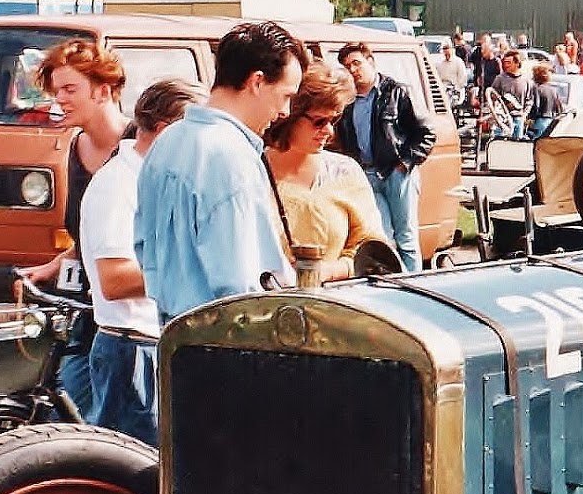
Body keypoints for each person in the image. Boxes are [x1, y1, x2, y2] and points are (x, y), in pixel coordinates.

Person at [136, 20, 304, 323]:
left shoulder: (165, 143)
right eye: (286, 96)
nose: (285, 113)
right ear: (256, 81)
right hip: (225, 340)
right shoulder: (231, 157)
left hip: (171, 333)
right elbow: (240, 284)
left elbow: (143, 248)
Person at [80, 79, 204, 444]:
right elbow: (114, 280)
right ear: (166, 132)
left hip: (154, 345)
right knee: (131, 483)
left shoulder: (154, 180)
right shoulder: (118, 185)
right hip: (133, 350)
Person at [15, 39, 131, 423]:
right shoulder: (76, 145)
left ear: (102, 91)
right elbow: (88, 237)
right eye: (56, 91)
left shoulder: (138, 146)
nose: (59, 100)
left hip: (127, 315)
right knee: (66, 408)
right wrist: (51, 266)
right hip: (86, 306)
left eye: (69, 90)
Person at [265, 59, 388, 283]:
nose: (329, 131)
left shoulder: (345, 173)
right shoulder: (253, 172)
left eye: (335, 119)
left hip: (334, 307)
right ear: (290, 115)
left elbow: (373, 251)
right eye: (319, 121)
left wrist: (328, 271)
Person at [335, 41, 438, 273]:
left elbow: (427, 133)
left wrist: (406, 163)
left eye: (356, 63)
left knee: (406, 236)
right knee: (381, 236)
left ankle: (415, 283)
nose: (352, 70)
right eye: (347, 66)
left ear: (370, 62)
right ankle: (393, 283)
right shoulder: (347, 100)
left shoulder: (397, 92)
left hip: (396, 172)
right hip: (366, 174)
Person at [489, 49, 534, 139]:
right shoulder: (500, 79)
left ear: (517, 63)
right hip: (503, 118)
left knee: (516, 145)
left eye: (509, 62)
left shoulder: (526, 81)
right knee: (499, 142)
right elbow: (492, 95)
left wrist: (525, 114)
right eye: (505, 62)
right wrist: (502, 102)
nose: (506, 65)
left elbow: (529, 100)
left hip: (518, 118)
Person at [525, 63, 564, 138]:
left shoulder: (537, 89)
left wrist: (530, 119)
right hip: (551, 121)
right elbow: (559, 108)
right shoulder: (554, 90)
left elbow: (536, 106)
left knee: (537, 143)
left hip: (540, 121)